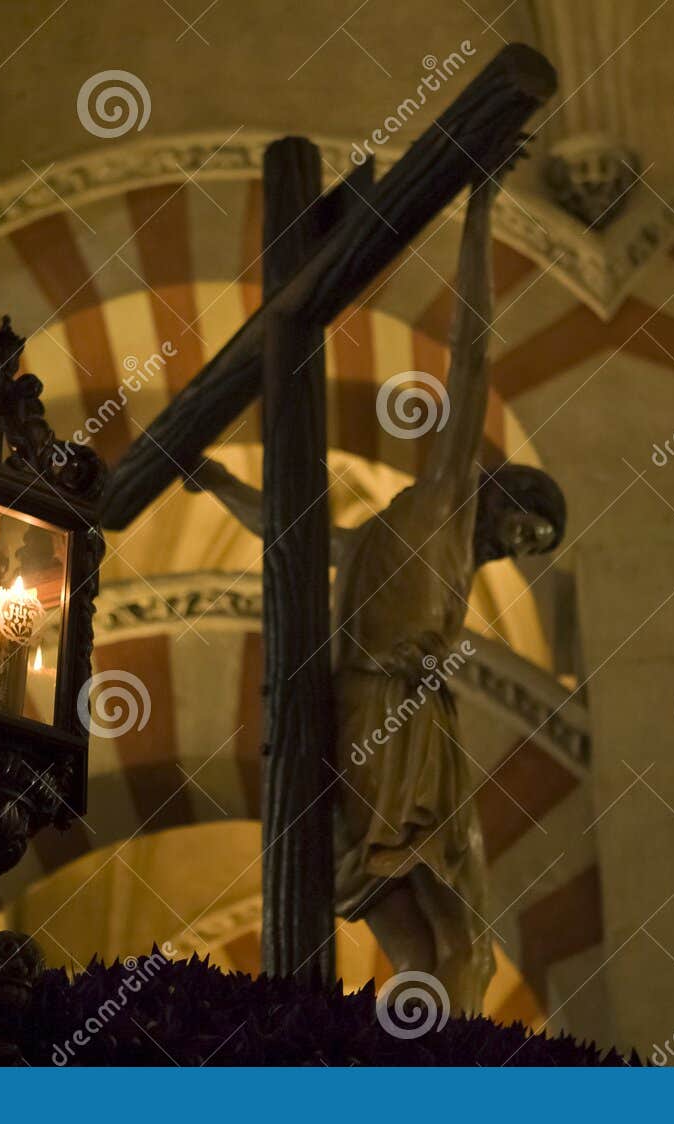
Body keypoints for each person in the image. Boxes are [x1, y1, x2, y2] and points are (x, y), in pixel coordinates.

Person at [186, 179, 566, 1012]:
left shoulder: (451, 561)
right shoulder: (438, 502)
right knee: (410, 913)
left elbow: (297, 534)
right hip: (372, 714)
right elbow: (472, 351)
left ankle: (439, 1063)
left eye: (528, 550)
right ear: (501, 493)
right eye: (522, 527)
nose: (513, 547)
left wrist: (216, 483)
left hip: (423, 727)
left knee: (464, 940)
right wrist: (477, 210)